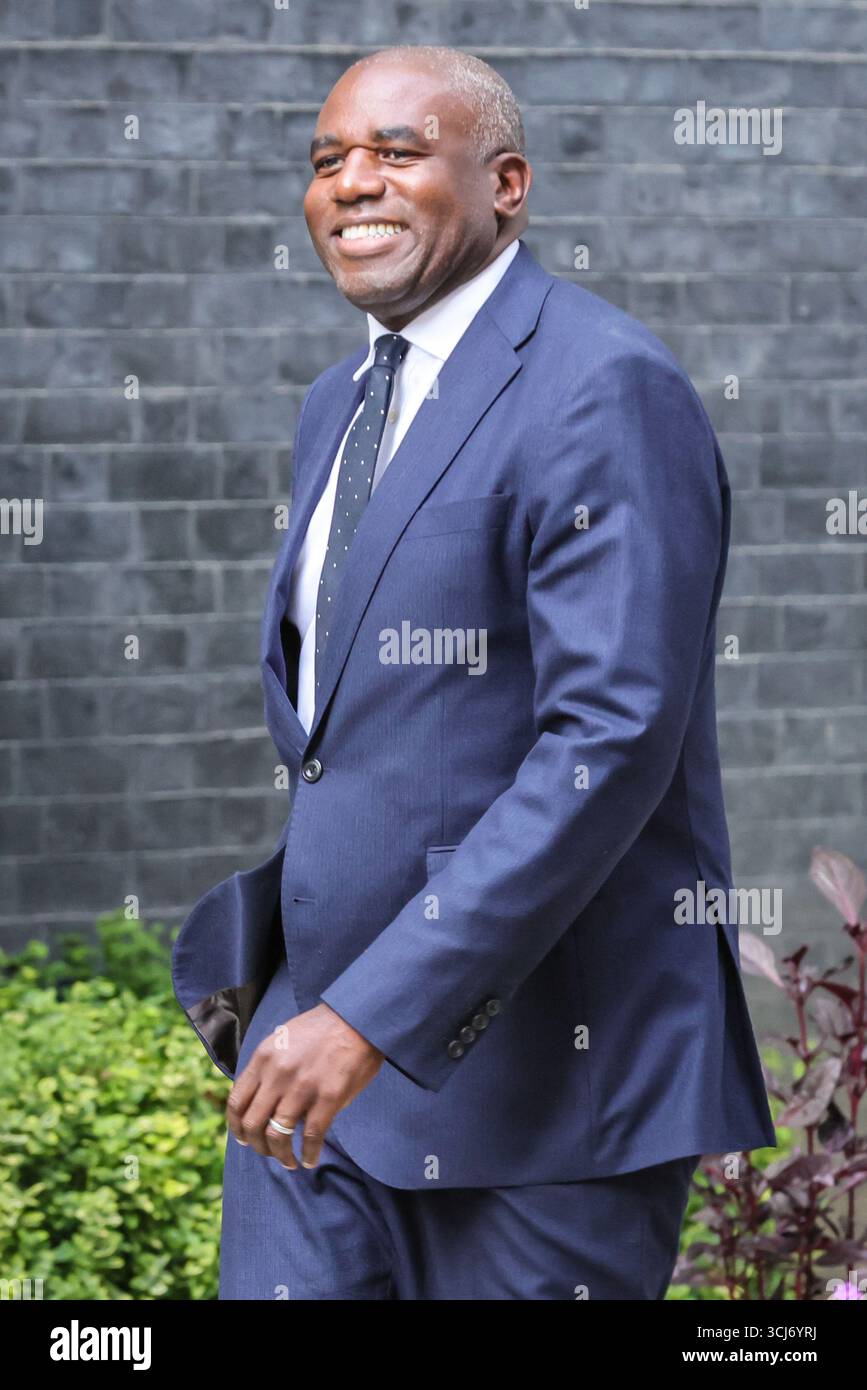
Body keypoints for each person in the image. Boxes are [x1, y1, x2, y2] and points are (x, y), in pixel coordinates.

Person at [172, 43, 777, 1300]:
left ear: (507, 183)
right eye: (328, 160)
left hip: (548, 1095)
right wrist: (304, 997)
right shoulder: (339, 402)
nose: (351, 182)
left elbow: (606, 739)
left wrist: (375, 1016)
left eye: (397, 152)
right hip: (318, 1085)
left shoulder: (603, 386)